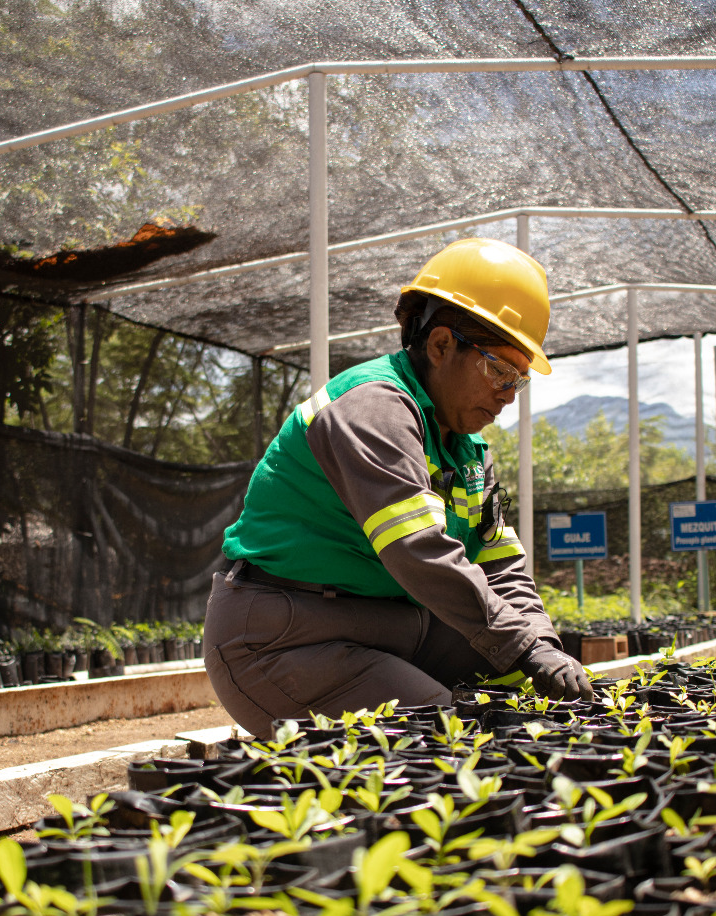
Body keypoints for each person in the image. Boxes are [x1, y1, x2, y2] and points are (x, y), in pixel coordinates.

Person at [203, 236, 593, 738]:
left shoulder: (467, 447)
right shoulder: (372, 410)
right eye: (499, 369)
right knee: (445, 738)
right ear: (440, 345)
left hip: (387, 626)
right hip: (283, 637)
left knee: (523, 693)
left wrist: (544, 645)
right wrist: (522, 647)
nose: (507, 397)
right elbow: (420, 552)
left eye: (518, 380)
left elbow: (502, 567)